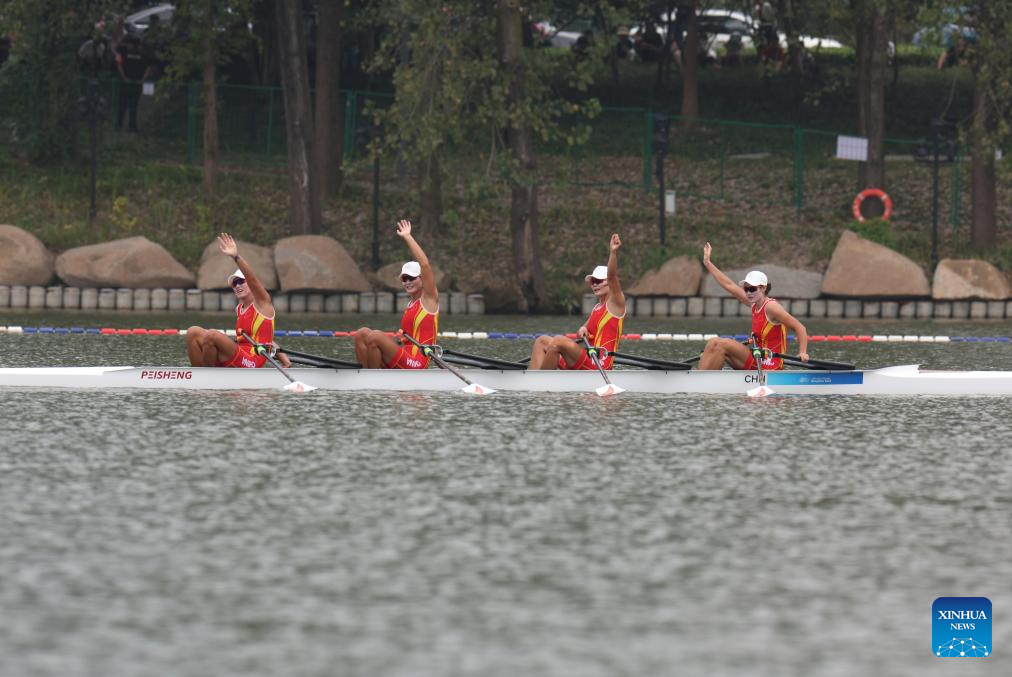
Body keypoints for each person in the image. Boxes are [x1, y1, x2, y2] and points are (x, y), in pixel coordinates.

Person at [186, 233, 291, 369]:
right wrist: (284, 360)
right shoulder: (239, 309)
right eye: (234, 284)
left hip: (252, 361)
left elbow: (252, 279)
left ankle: (208, 376)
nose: (237, 286)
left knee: (212, 335)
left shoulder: (263, 303)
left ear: (250, 284)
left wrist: (236, 257)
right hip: (239, 355)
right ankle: (198, 374)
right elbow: (267, 339)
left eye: (241, 281)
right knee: (193, 332)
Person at [698, 242, 809, 371]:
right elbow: (729, 285)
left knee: (717, 343)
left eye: (752, 289)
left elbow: (800, 327)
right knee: (713, 346)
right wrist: (707, 263)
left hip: (770, 363)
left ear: (763, 288)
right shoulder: (754, 303)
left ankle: (701, 379)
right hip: (757, 358)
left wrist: (802, 352)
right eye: (746, 289)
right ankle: (702, 378)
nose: (748, 293)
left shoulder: (771, 307)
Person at [530, 234, 625, 370]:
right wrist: (583, 328)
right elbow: (583, 329)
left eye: (598, 281)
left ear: (608, 283)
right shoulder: (597, 308)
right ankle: (533, 378)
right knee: (541, 341)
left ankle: (541, 379)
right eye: (592, 281)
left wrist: (613, 252)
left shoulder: (616, 303)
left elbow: (612, 276)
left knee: (558, 341)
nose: (594, 284)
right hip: (587, 358)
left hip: (600, 364)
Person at [354, 219, 439, 369]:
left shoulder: (429, 300)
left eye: (411, 278)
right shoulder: (411, 304)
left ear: (422, 279)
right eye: (404, 279)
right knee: (361, 334)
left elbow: (425, 265)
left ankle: (372, 378)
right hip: (404, 357)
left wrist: (407, 237)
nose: (407, 282)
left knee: (375, 336)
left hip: (417, 363)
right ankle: (365, 374)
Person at [114, 32, 152, 131]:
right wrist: (142, 80)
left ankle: (119, 125)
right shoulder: (143, 55)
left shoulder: (124, 54)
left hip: (125, 83)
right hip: (136, 83)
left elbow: (119, 65)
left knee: (122, 105)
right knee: (133, 106)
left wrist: (124, 78)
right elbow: (149, 68)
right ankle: (132, 126)